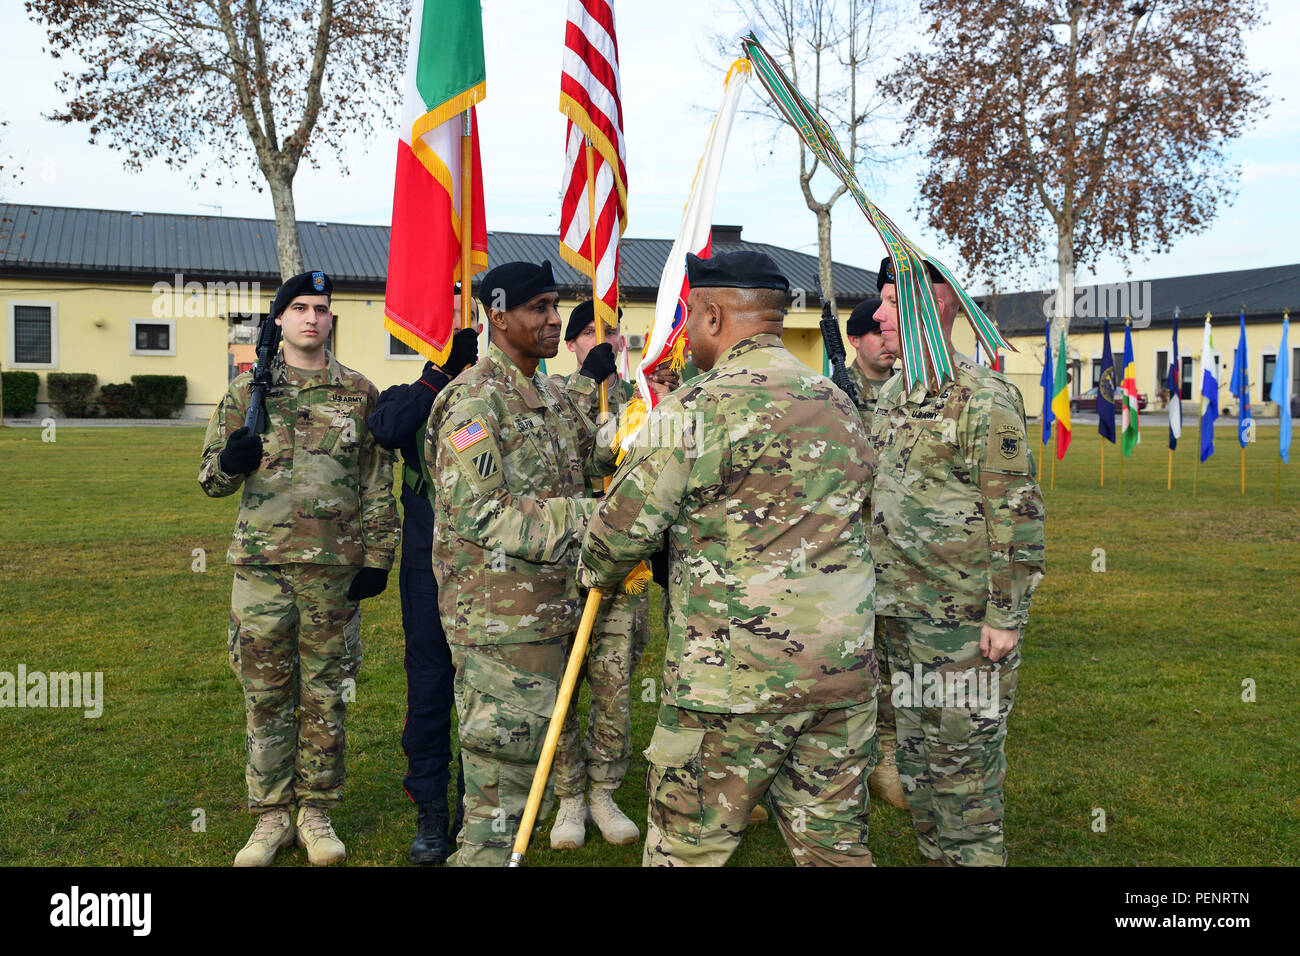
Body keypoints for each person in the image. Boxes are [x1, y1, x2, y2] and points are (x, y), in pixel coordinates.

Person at [578, 250, 880, 867]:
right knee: (835, 853)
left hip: (728, 684)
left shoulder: (693, 410)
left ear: (713, 315)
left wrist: (595, 570)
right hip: (837, 677)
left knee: (687, 852)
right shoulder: (841, 405)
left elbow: (618, 536)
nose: (685, 333)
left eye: (689, 317)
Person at [199, 270, 398, 867]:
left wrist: (380, 559)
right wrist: (232, 462)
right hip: (261, 573)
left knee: (325, 696)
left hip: (333, 574)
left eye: (322, 309)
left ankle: (316, 811)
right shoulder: (245, 392)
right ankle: (270, 817)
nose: (313, 318)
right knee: (265, 696)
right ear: (280, 320)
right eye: (301, 309)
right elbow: (210, 479)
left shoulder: (358, 393)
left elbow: (376, 483)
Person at [424, 260, 619, 867]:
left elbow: (593, 459)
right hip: (499, 628)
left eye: (555, 306)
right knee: (499, 798)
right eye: (539, 309)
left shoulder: (553, 396)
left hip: (549, 615)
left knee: (525, 784)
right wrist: (594, 516)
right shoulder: (473, 404)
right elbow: (486, 516)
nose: (555, 320)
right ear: (498, 316)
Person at [869, 255, 1046, 866]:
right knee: (918, 770)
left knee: (964, 777)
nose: (881, 316)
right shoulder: (892, 393)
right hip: (902, 619)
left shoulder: (983, 396)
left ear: (938, 304)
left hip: (966, 626)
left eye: (894, 302)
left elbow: (1017, 516)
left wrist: (1005, 614)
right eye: (883, 302)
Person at [367, 293, 480, 866]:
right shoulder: (409, 397)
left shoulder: (495, 399)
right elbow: (388, 429)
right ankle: (431, 808)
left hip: (491, 572)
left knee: (486, 691)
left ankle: (479, 806)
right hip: (426, 570)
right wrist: (439, 373)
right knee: (432, 690)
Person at [548, 301, 652, 850]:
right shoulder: (557, 398)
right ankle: (567, 796)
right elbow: (565, 453)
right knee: (560, 680)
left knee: (614, 685)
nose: (603, 340)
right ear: (571, 346)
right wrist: (591, 386)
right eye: (589, 333)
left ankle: (604, 792)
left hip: (622, 565)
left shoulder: (644, 400)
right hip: (561, 564)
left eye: (610, 330)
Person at [844, 296, 893, 417]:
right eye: (879, 332)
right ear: (855, 340)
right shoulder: (835, 390)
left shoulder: (914, 387)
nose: (887, 340)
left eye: (892, 332)